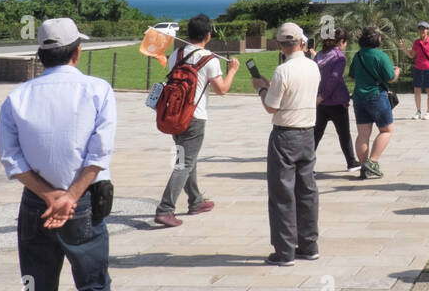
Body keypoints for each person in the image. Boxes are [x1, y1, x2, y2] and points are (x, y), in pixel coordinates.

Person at [0, 18, 116, 291]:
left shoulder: (17, 97)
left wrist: (50, 196)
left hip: (36, 206)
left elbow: (11, 158)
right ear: (77, 53)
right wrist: (70, 197)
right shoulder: (98, 90)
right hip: (84, 204)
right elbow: (99, 154)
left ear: (40, 55)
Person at [154, 14, 239, 227]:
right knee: (185, 162)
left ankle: (195, 200)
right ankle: (165, 209)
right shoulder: (210, 59)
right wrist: (232, 71)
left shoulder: (177, 54)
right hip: (195, 117)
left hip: (175, 114)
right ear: (208, 35)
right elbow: (222, 89)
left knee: (186, 158)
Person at [251, 21, 321, 265]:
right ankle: (309, 245)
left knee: (282, 193)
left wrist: (261, 89)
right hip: (307, 133)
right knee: (307, 191)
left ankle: (284, 251)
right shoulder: (313, 67)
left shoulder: (283, 71)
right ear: (302, 42)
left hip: (285, 134)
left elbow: (271, 106)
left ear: (281, 45)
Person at [349, 27, 400, 179]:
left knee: (363, 134)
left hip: (358, 98)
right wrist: (397, 71)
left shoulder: (357, 56)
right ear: (377, 40)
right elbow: (390, 77)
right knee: (386, 130)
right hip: (376, 96)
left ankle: (364, 166)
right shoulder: (380, 55)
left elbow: (352, 75)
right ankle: (372, 162)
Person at [314, 27, 359, 172]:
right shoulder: (339, 57)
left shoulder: (319, 56)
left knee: (315, 135)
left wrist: (319, 97)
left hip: (320, 102)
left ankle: (305, 165)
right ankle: (351, 162)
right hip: (336, 101)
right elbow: (334, 79)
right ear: (341, 42)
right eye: (345, 42)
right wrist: (323, 96)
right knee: (344, 134)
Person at [411, 22, 429, 120]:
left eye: (423, 29)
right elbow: (412, 55)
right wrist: (404, 49)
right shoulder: (416, 42)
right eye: (420, 29)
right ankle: (418, 111)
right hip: (418, 69)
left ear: (428, 30)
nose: (421, 31)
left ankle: (428, 112)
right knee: (417, 90)